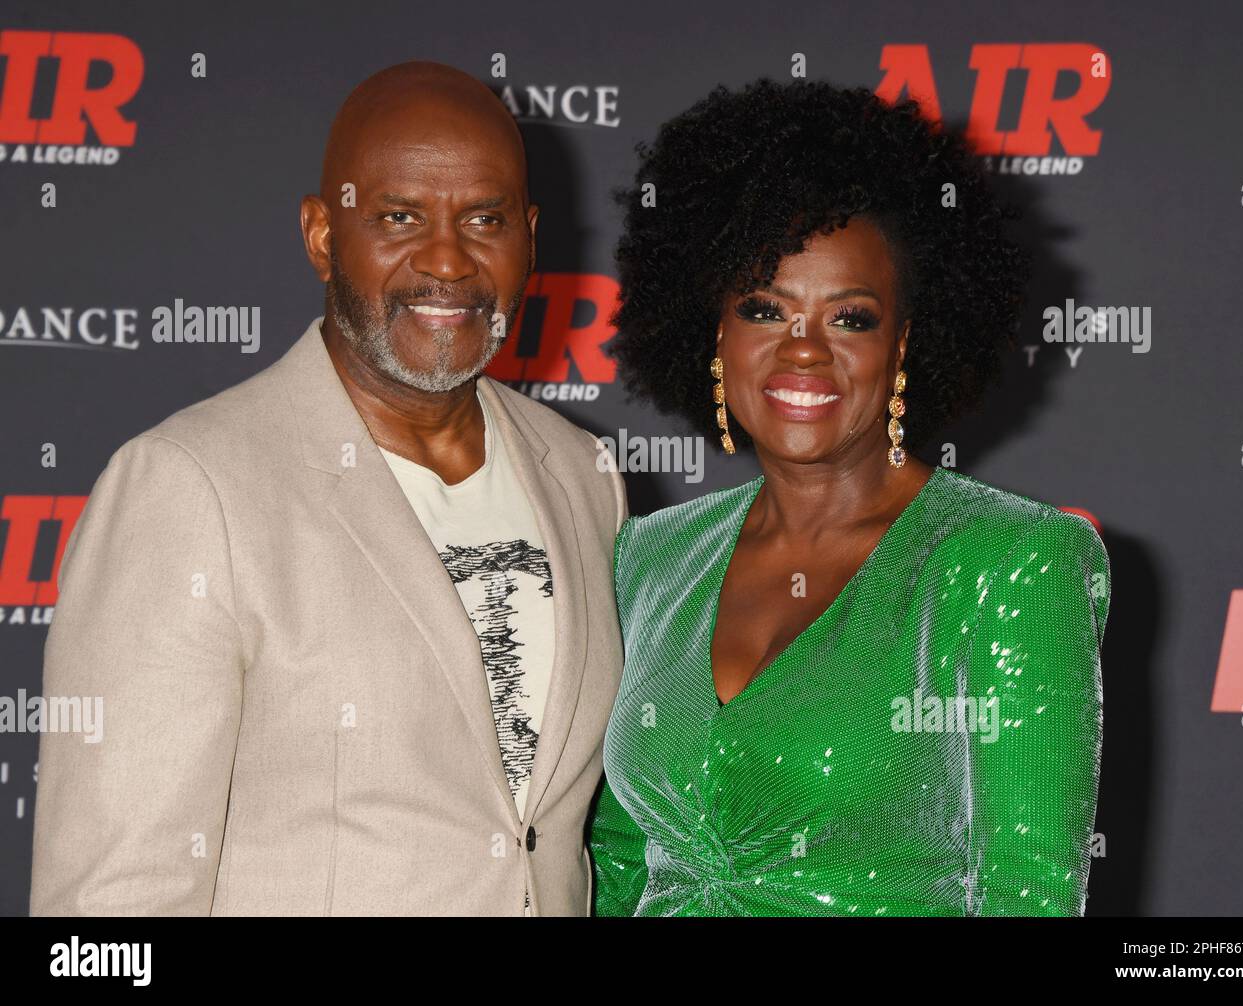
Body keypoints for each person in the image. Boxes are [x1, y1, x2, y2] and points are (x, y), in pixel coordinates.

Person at [30, 62, 626, 916]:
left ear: (530, 236)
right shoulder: (192, 487)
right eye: (399, 217)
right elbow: (107, 910)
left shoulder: (583, 476)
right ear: (321, 237)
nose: (448, 259)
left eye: (485, 219)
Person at [588, 79, 1109, 916]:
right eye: (765, 309)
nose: (804, 353)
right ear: (712, 333)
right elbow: (614, 865)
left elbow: (1030, 895)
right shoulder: (649, 556)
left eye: (851, 318)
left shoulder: (1008, 562)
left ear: (905, 341)